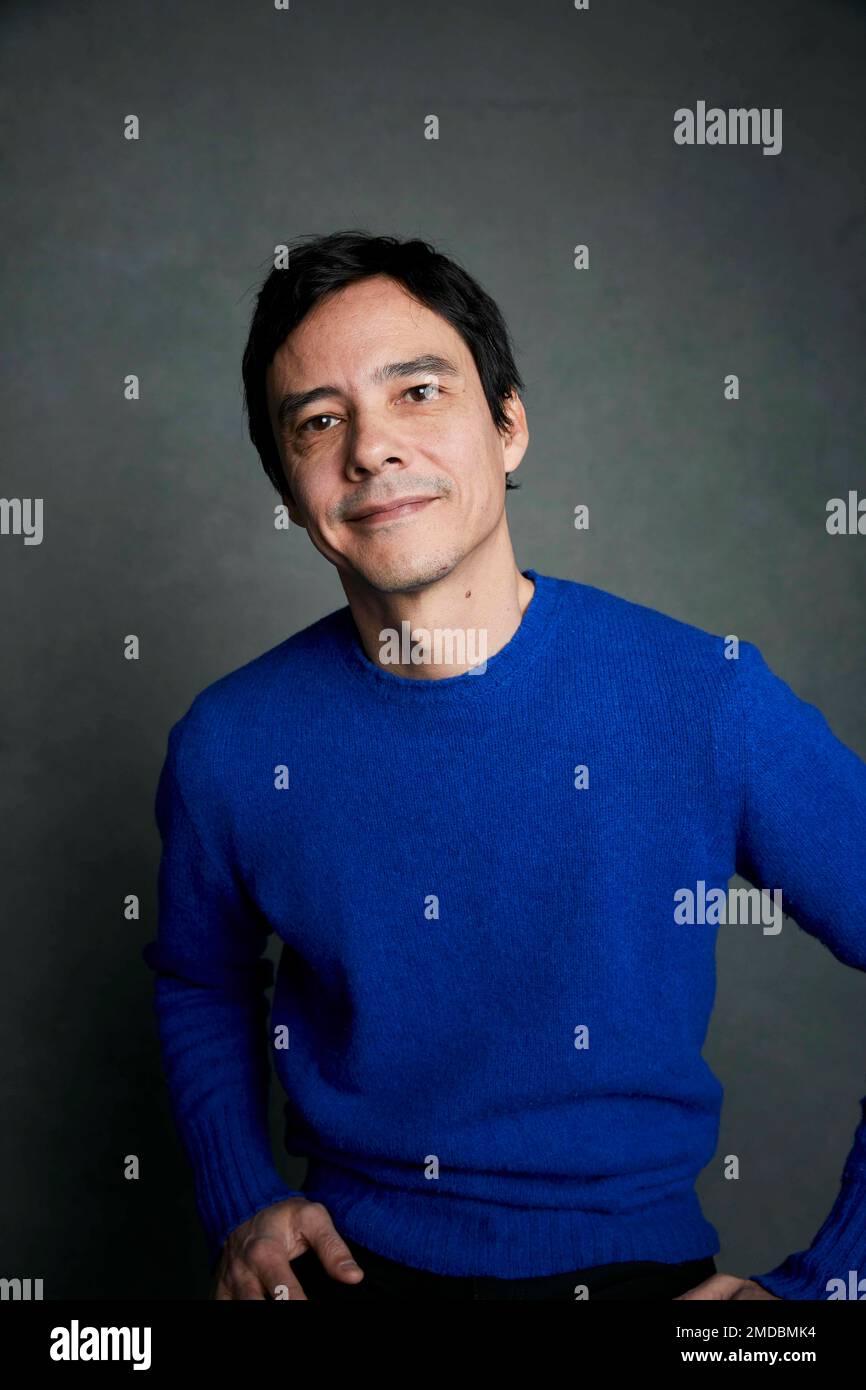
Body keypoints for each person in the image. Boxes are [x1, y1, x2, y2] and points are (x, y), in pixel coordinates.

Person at [142, 231, 866, 1301]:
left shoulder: (701, 695)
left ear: (507, 424)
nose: (371, 448)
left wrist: (823, 1287)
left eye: (418, 391)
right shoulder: (231, 742)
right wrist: (240, 1194)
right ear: (290, 489)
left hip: (633, 1274)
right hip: (345, 1269)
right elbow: (199, 976)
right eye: (318, 420)